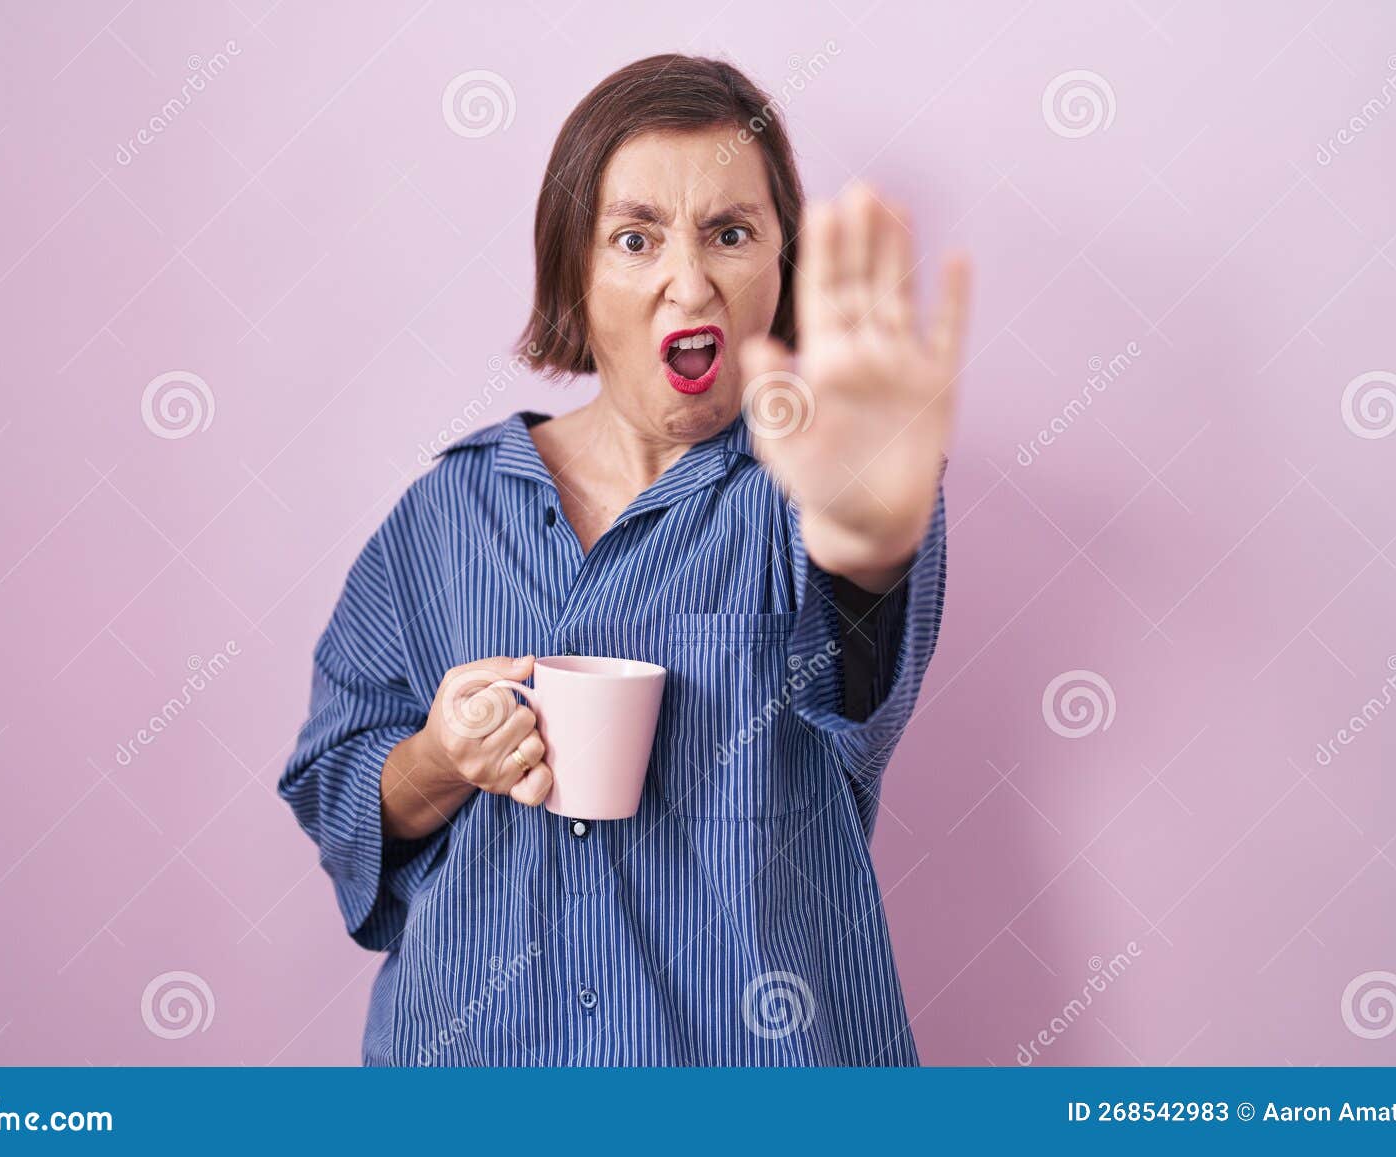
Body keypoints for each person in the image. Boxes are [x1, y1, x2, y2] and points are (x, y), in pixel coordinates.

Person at [278, 52, 970, 1066]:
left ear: (781, 270)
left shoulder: (821, 489)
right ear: (575, 270)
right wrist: (440, 760)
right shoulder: (444, 514)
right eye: (635, 237)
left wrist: (869, 541)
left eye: (730, 234)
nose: (687, 281)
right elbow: (336, 780)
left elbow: (862, 635)